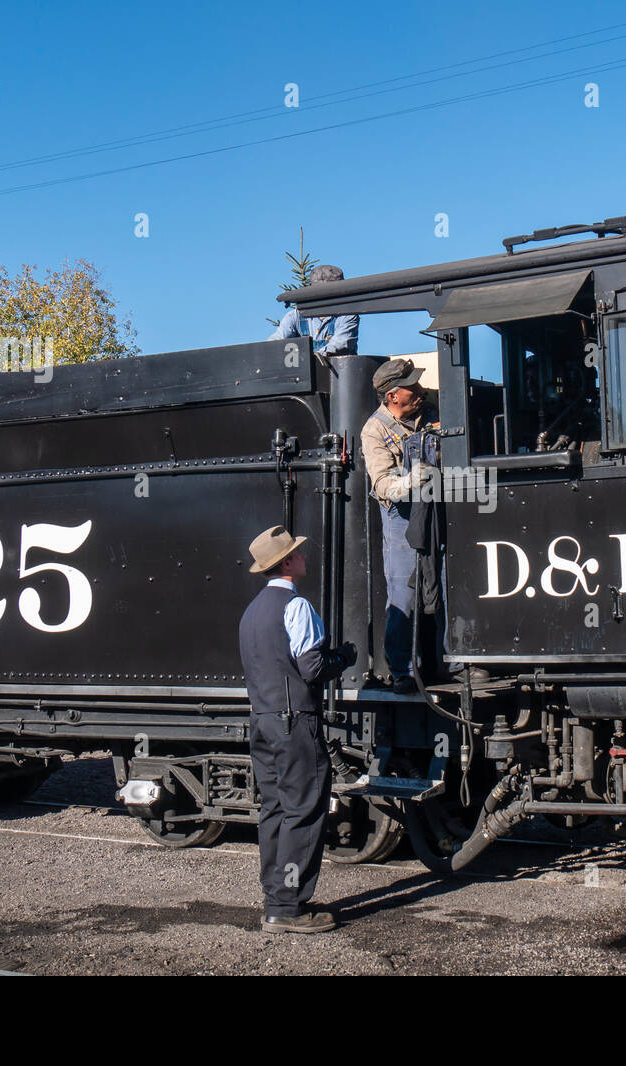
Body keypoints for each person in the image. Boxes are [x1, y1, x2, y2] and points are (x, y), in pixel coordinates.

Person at [238, 525, 356, 934]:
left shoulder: (252, 612)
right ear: (287, 562)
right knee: (304, 809)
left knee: (274, 809)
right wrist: (344, 657)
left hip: (263, 720)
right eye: (298, 552)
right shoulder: (296, 606)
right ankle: (288, 909)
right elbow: (312, 668)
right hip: (295, 719)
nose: (304, 556)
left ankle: (277, 897)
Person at [359, 358, 438, 694]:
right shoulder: (374, 430)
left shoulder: (429, 407)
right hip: (401, 517)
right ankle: (402, 670)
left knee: (441, 586)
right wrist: (409, 482)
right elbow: (381, 484)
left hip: (438, 508)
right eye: (412, 386)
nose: (420, 390)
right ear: (393, 396)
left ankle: (451, 661)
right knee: (403, 596)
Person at [269, 264, 360, 357]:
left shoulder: (347, 315)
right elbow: (276, 340)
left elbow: (340, 344)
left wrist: (309, 358)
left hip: (337, 370)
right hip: (305, 370)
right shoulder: (296, 316)